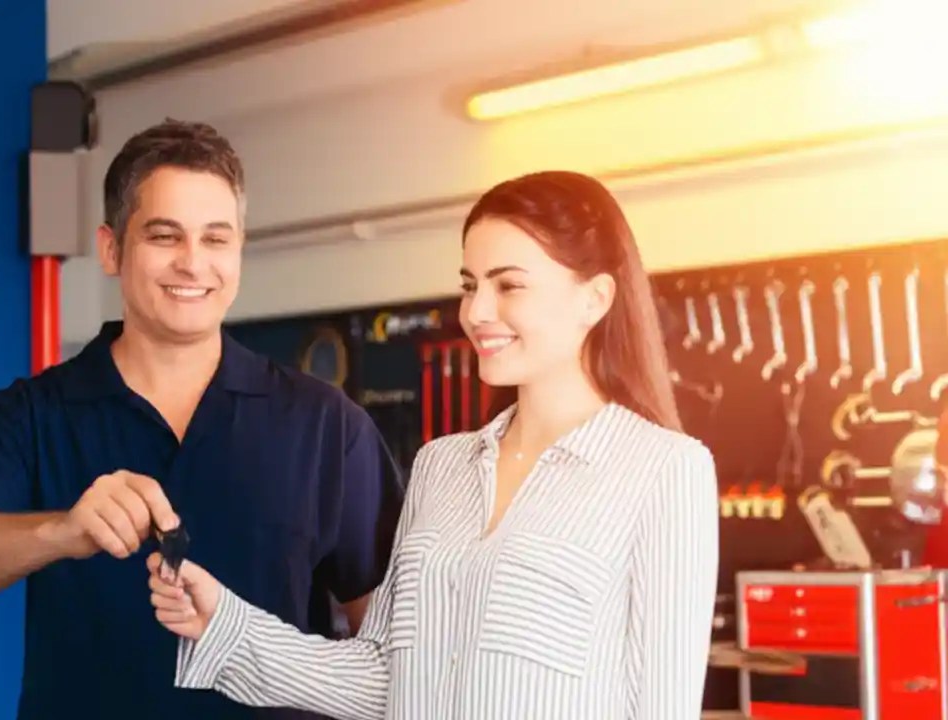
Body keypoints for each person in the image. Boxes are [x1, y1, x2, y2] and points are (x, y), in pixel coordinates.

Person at [148, 171, 720, 720]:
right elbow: (381, 678)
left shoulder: (665, 470)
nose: (476, 313)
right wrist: (224, 622)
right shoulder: (441, 466)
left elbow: (663, 709)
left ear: (594, 299)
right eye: (470, 285)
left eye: (509, 285)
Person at [0, 119, 406, 719]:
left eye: (216, 240)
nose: (193, 264)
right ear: (112, 249)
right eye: (164, 236)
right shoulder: (30, 416)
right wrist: (60, 532)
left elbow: (393, 652)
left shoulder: (328, 428)